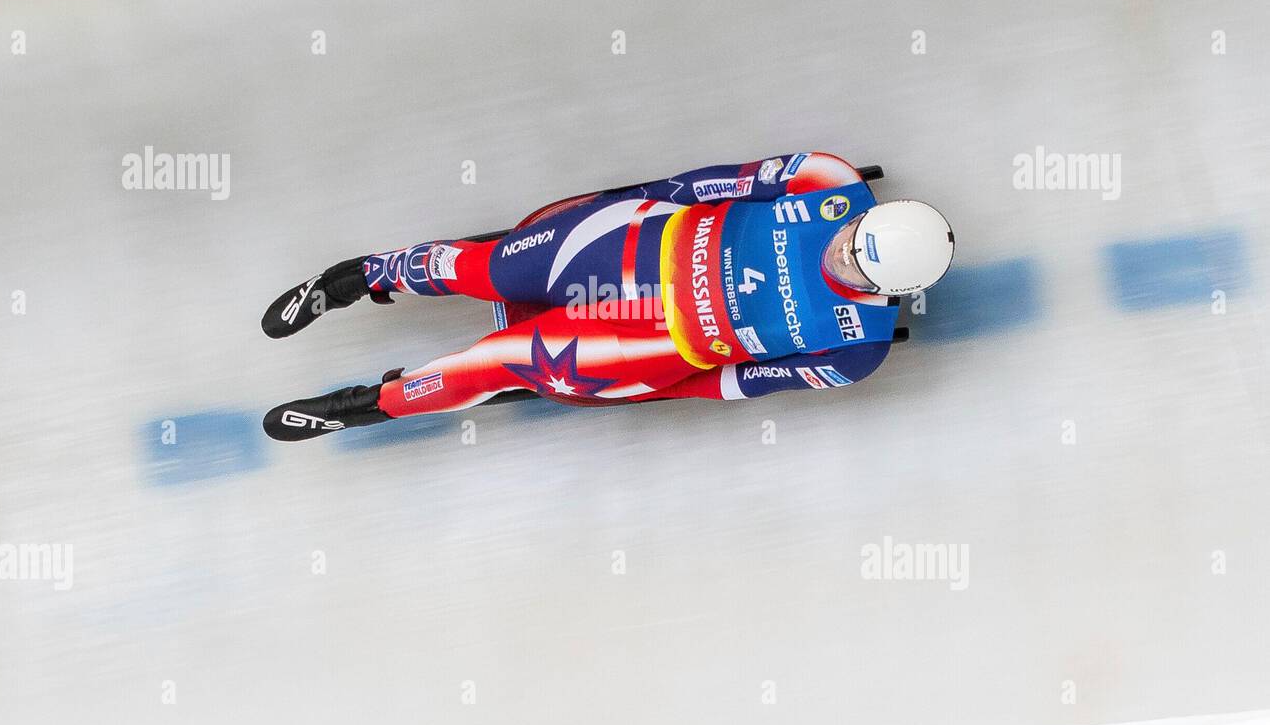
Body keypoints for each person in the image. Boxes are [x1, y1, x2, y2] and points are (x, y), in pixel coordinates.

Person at [260, 152, 955, 441]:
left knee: (497, 362)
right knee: (489, 269)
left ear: (884, 290)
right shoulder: (827, 179)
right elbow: (709, 184)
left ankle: (367, 405)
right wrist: (627, 203)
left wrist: (660, 387)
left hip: (653, 343)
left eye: (856, 266)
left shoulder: (856, 351)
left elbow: (738, 383)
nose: (840, 252)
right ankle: (358, 277)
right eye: (854, 237)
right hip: (635, 242)